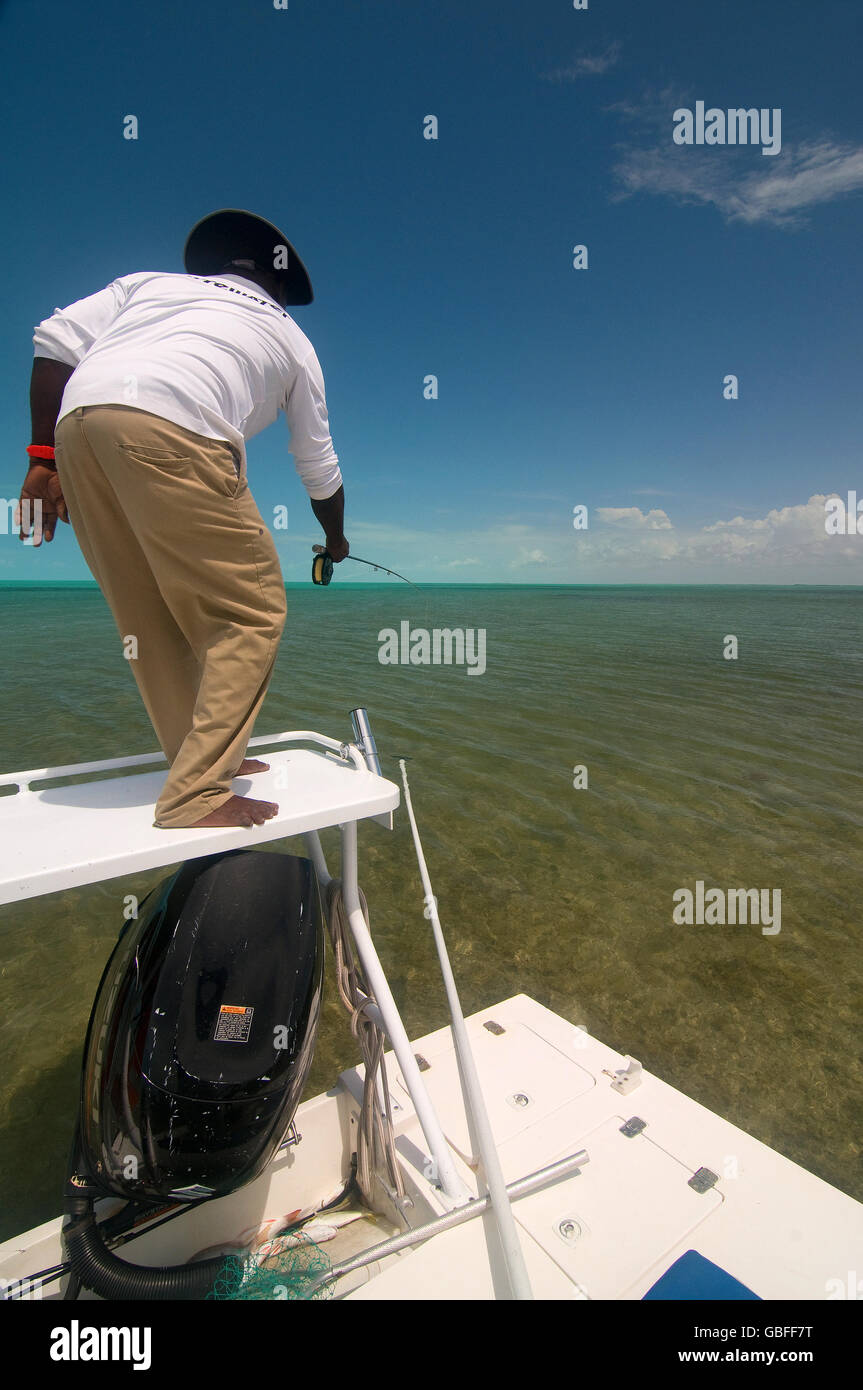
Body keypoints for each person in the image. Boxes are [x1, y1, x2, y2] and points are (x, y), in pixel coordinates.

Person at [18, 209, 348, 829]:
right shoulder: (292, 338)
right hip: (177, 429)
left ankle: (192, 760)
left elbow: (54, 341)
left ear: (218, 265)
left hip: (78, 428)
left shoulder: (146, 285)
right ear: (278, 288)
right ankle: (196, 795)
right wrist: (335, 538)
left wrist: (41, 459)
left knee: (147, 615)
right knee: (250, 614)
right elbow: (317, 464)